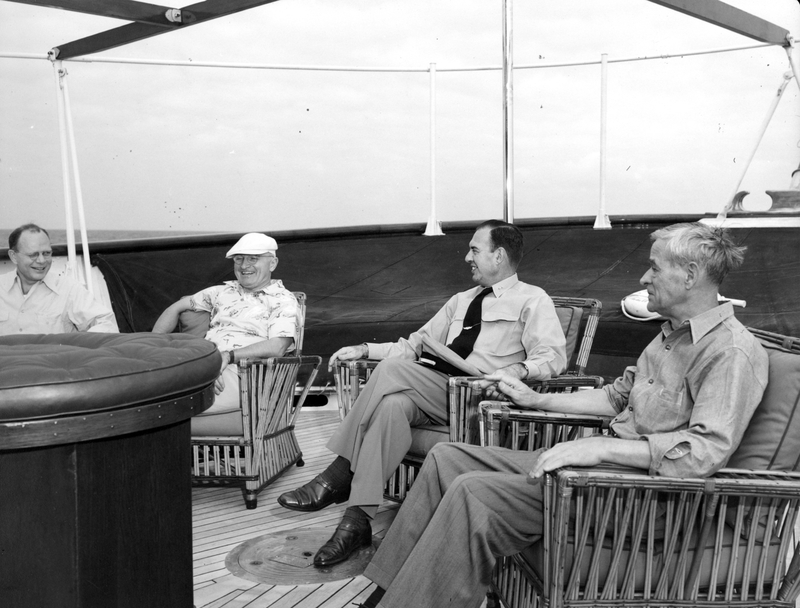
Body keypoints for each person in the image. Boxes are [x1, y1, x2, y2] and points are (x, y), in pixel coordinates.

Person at [358, 222, 770, 608]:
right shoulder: (669, 337)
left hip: (642, 497)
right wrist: (536, 401)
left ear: (690, 275)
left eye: (654, 268)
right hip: (601, 476)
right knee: (446, 458)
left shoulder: (730, 351)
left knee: (473, 493)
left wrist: (599, 448)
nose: (645, 278)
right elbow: (615, 398)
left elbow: (704, 451)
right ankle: (390, 594)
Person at [278, 219, 568, 567]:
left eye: (474, 250)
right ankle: (356, 522)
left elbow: (552, 356)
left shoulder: (533, 299)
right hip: (438, 388)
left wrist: (517, 370)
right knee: (392, 405)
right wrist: (365, 348)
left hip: (480, 400)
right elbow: (414, 345)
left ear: (499, 256)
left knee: (391, 372)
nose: (467, 258)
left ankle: (340, 472)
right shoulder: (460, 301)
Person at [152, 233, 297, 430]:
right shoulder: (221, 292)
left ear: (272, 263)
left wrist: (226, 357)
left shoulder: (283, 300)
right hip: (206, 365)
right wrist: (153, 346)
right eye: (239, 259)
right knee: (153, 393)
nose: (244, 265)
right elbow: (176, 307)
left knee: (160, 403)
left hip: (246, 375)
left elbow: (278, 346)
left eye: (253, 259)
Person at [0, 223, 118, 335]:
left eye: (46, 253)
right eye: (33, 255)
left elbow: (106, 323)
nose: (41, 260)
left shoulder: (68, 289)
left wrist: (80, 343)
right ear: (13, 256)